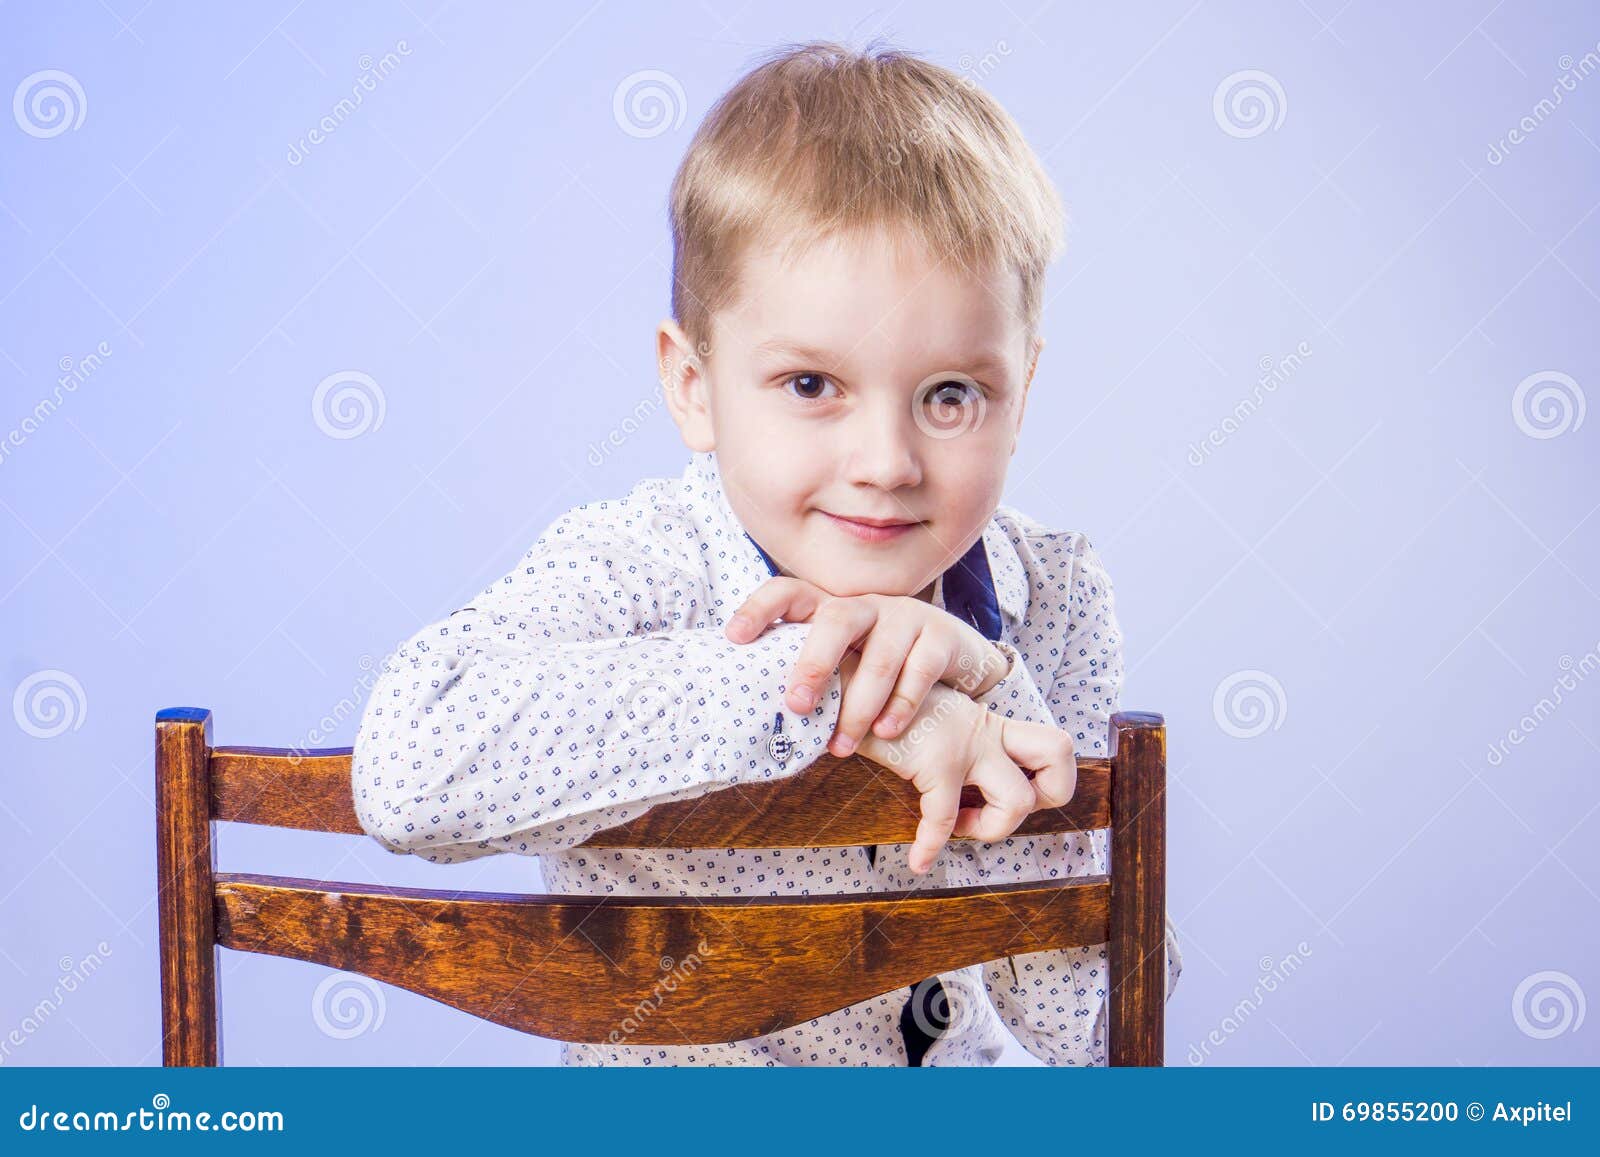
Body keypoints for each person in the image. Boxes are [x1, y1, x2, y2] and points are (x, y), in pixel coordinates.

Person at [351, 39, 1180, 1066]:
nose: (885, 462)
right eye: (809, 385)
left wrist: (990, 693)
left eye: (951, 395)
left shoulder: (1049, 595)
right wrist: (844, 690)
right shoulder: (639, 564)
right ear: (693, 384)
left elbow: (1090, 1032)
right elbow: (407, 766)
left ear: (1022, 395)